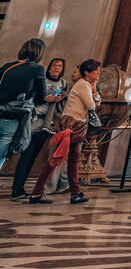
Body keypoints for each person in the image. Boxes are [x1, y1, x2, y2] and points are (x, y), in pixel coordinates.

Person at [30, 57, 99, 206]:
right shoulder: (83, 85)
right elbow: (91, 106)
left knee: (72, 161)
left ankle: (75, 193)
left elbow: (96, 102)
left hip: (77, 127)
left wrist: (94, 91)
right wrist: (93, 92)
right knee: (57, 158)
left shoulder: (86, 85)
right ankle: (37, 191)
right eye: (95, 72)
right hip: (71, 127)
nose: (98, 74)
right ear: (87, 72)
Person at [10, 56, 66, 200]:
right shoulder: (41, 79)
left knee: (33, 157)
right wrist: (45, 98)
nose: (56, 68)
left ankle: (20, 188)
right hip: (33, 121)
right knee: (26, 156)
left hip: (46, 126)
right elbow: (30, 97)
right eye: (54, 65)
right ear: (49, 67)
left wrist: (58, 100)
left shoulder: (62, 83)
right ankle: (17, 189)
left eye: (59, 66)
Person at [0, 38, 47, 178]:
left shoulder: (6, 66)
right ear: (39, 53)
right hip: (12, 118)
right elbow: (41, 97)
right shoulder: (38, 69)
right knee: (1, 156)